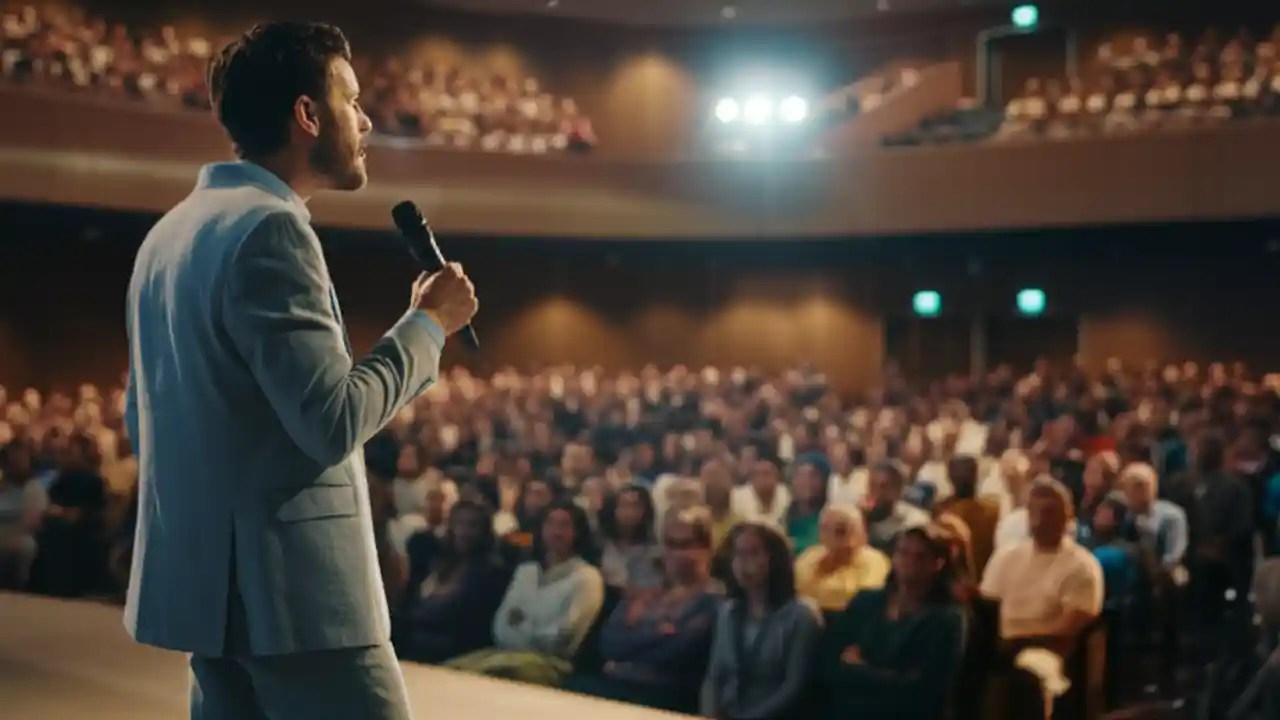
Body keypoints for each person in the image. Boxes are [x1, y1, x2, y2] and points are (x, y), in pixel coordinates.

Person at [122, 22, 479, 720]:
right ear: (308, 115)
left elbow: (143, 422)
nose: (368, 119)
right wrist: (430, 324)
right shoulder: (270, 229)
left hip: (211, 594)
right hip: (295, 600)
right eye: (351, 99)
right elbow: (331, 421)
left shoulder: (169, 233)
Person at [564, 506, 721, 713]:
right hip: (620, 684)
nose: (675, 553)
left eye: (685, 545)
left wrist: (634, 638)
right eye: (669, 544)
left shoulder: (713, 599)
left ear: (706, 549)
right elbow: (609, 641)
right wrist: (656, 631)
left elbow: (678, 653)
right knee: (573, 687)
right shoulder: (647, 592)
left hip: (668, 693)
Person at [445, 501, 604, 686]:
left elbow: (563, 637)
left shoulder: (587, 578)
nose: (555, 532)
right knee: (450, 670)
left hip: (550, 664)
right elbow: (503, 623)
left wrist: (523, 624)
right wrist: (530, 627)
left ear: (577, 532)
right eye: (550, 524)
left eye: (564, 525)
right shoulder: (526, 571)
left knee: (484, 675)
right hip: (505, 652)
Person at [819, 525, 966, 720]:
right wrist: (891, 676)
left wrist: (861, 671)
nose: (910, 562)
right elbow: (830, 664)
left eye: (920, 557)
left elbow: (925, 689)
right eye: (904, 553)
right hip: (849, 710)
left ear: (938, 564)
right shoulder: (865, 602)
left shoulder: (947, 619)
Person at [701, 522, 823, 720]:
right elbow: (714, 676)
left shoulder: (801, 616)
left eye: (753, 554)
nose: (743, 564)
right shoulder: (727, 612)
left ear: (774, 560)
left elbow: (793, 689)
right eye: (738, 555)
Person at [398, 500, 511, 664]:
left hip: (454, 645)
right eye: (459, 524)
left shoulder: (491, 571)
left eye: (472, 525)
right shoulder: (438, 561)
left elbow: (464, 620)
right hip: (418, 633)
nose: (464, 532)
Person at [794, 504, 889, 614]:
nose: (832, 538)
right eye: (825, 529)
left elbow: (855, 597)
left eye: (841, 531)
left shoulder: (875, 562)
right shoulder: (809, 557)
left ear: (862, 534)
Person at [598, 484, 663, 592]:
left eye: (636, 506)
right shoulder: (599, 546)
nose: (630, 512)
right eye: (624, 506)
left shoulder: (654, 552)